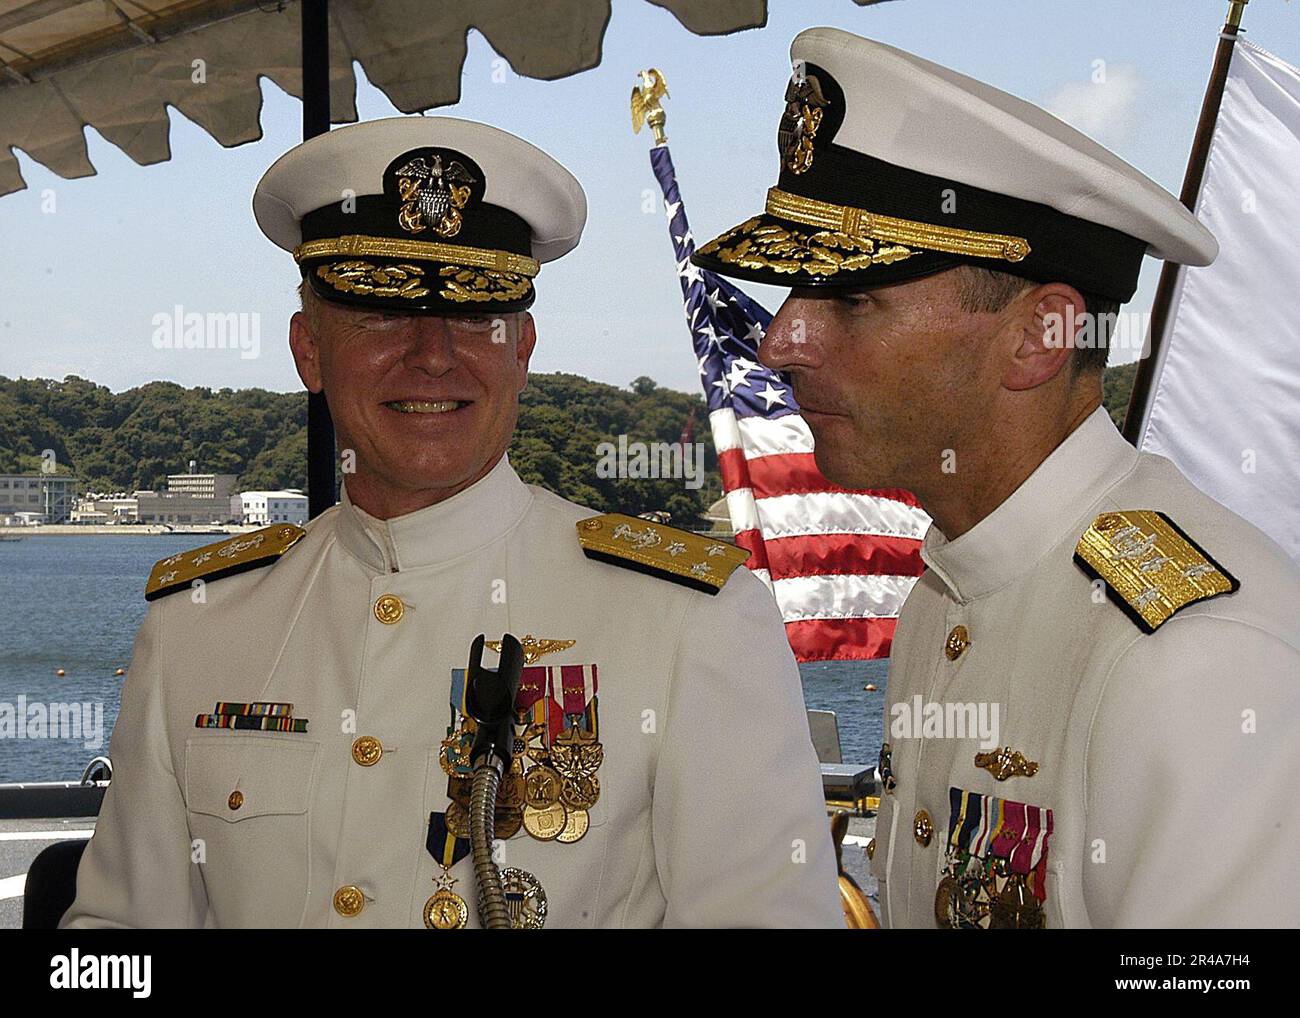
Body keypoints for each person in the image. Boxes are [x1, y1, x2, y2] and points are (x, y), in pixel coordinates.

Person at [62, 116, 843, 929]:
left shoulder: (692, 622)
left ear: (523, 349)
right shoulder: (200, 623)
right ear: (309, 351)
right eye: (379, 312)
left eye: (476, 316)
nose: (432, 354)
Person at [693, 27, 1300, 927]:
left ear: (1038, 337)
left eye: (850, 300)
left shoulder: (1196, 656)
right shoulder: (952, 586)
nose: (781, 342)